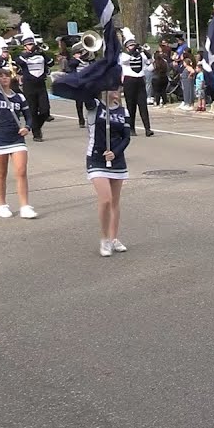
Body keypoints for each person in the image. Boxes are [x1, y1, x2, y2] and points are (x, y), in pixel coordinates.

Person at [0, 68, 37, 219]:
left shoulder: (19, 97)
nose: (4, 78)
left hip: (16, 138)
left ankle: (25, 206)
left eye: (6, 75)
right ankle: (2, 205)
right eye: (0, 76)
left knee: (21, 172)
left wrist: (27, 128)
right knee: (1, 174)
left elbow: (29, 116)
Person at [85, 88, 131, 257]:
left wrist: (116, 152)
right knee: (105, 199)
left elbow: (126, 137)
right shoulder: (94, 107)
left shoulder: (123, 111)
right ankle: (104, 239)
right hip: (96, 158)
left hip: (117, 160)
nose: (117, 91)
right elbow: (86, 95)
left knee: (115, 202)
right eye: (112, 88)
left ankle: (113, 238)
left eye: (118, 88)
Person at [13, 30, 53, 142]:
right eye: (29, 44)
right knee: (33, 110)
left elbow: (51, 63)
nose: (31, 46)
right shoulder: (22, 55)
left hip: (41, 85)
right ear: (25, 46)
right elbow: (18, 62)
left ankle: (36, 127)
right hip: (29, 86)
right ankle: (37, 134)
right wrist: (30, 54)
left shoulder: (41, 54)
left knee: (45, 111)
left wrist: (42, 53)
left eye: (32, 44)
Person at [119, 29, 153, 136]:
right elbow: (128, 59)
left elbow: (149, 60)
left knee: (143, 105)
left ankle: (147, 129)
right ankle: (131, 128)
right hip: (129, 81)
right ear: (126, 47)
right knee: (131, 106)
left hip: (140, 81)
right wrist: (135, 50)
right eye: (130, 45)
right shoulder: (123, 56)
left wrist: (144, 50)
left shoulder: (141, 55)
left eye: (133, 45)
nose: (133, 47)